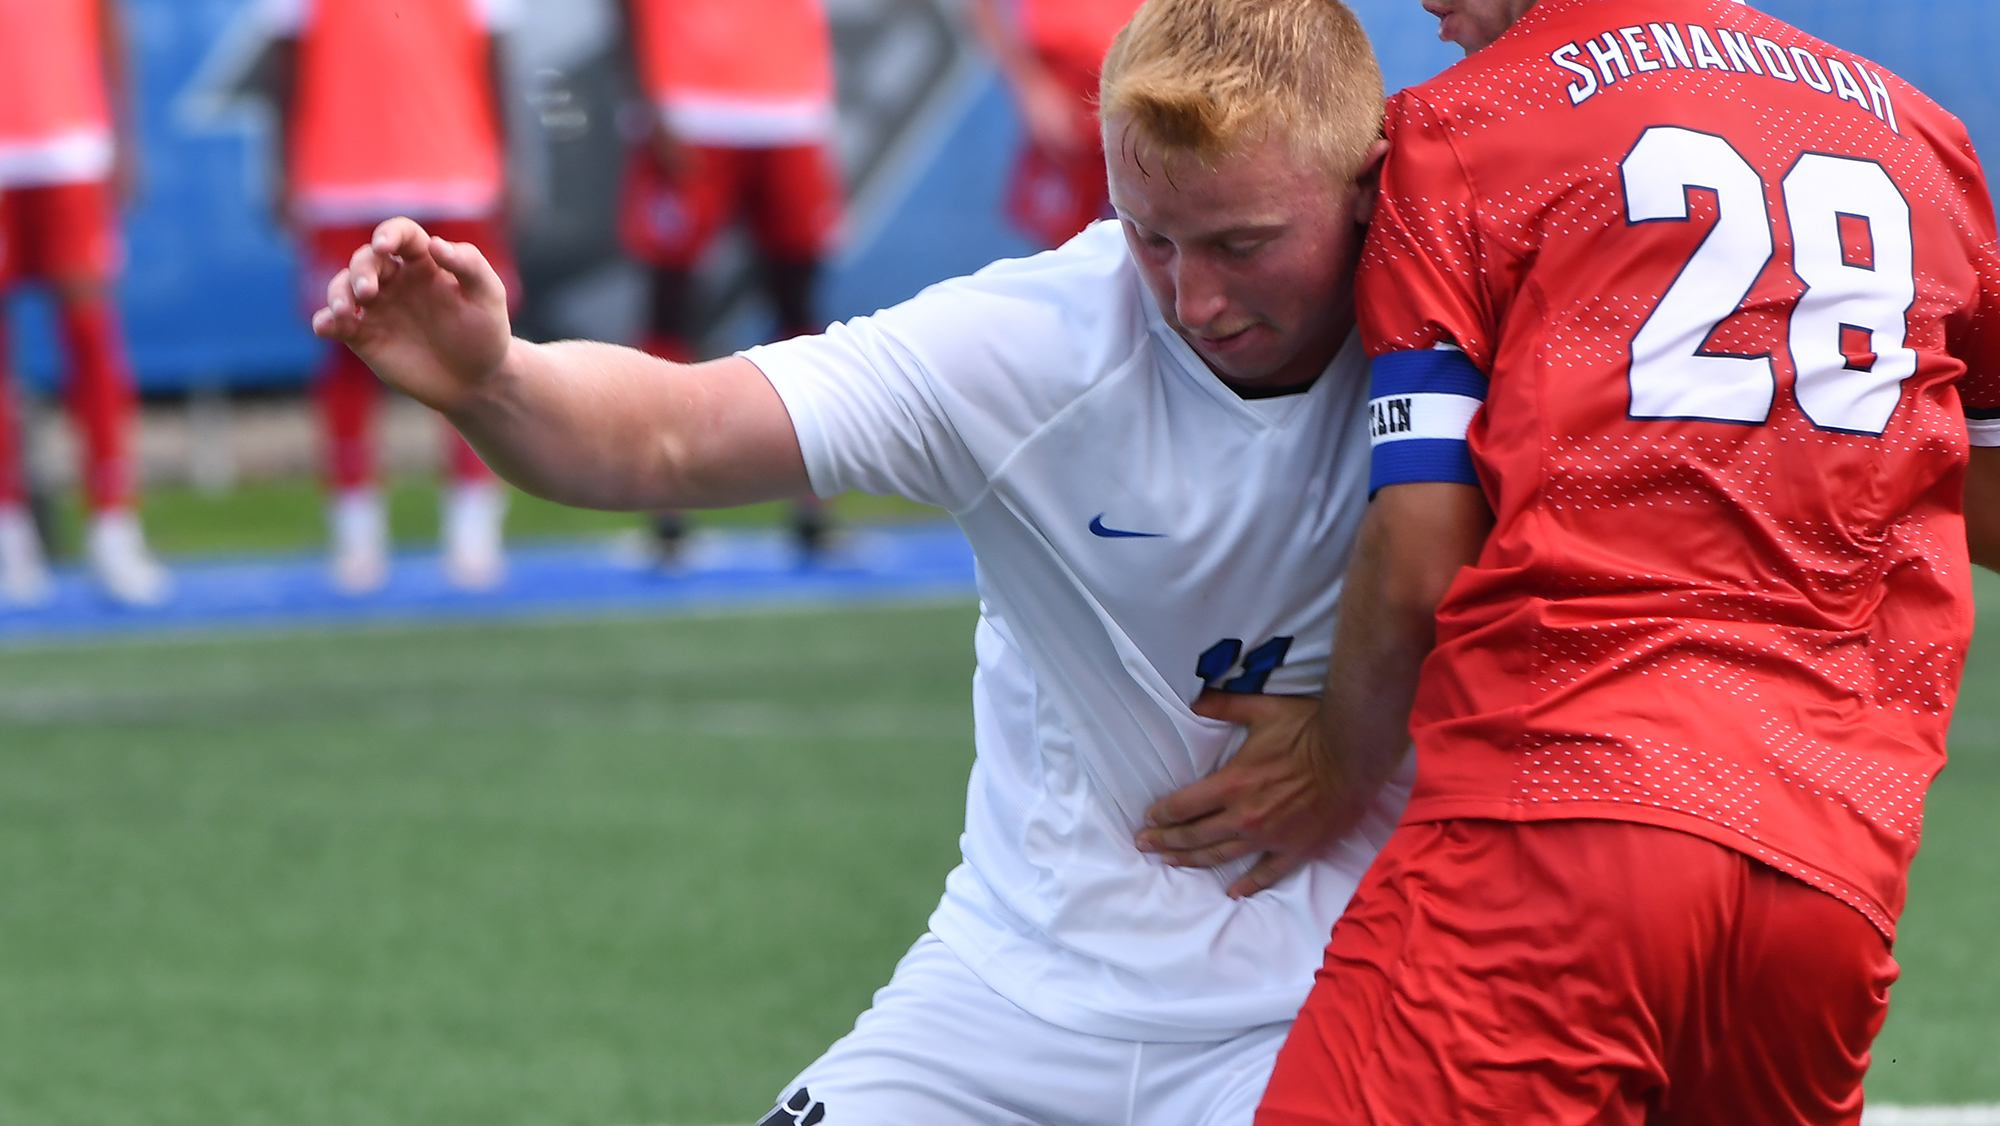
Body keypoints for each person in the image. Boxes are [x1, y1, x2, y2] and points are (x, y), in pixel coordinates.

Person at [315, 1, 1400, 1121]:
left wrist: (1355, 740)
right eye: (1150, 235)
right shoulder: (1035, 342)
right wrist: (496, 378)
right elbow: (674, 433)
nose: (1192, 297)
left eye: (1241, 243)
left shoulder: (1472, 329)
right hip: (1004, 997)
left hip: (1317, 1008)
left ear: (1363, 183)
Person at [1136, 1, 2000, 1122]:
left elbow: (1419, 557)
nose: (1425, 8)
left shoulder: (1458, 130)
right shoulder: (1921, 139)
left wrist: (1330, 768)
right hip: (1830, 873)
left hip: (1562, 820)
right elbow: (1973, 488)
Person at [260, 0, 519, 592]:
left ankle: (472, 520)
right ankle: (356, 525)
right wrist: (284, 166)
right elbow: (284, 54)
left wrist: (508, 160)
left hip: (455, 169)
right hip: (340, 177)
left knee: (472, 353)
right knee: (346, 345)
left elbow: (497, 45)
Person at [617, 0, 842, 559]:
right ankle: (662, 493)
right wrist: (649, 97)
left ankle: (811, 492)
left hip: (791, 103)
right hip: (691, 102)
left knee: (797, 298)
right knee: (671, 298)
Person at [0, 0, 169, 606]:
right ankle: (10, 537)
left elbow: (108, 23)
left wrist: (123, 136)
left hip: (70, 142)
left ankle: (113, 526)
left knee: (91, 336)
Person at [969, 0, 1143, 249]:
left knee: (1186, 217)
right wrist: (1029, 86)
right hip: (1069, 93)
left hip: (1147, 65)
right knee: (1068, 246)